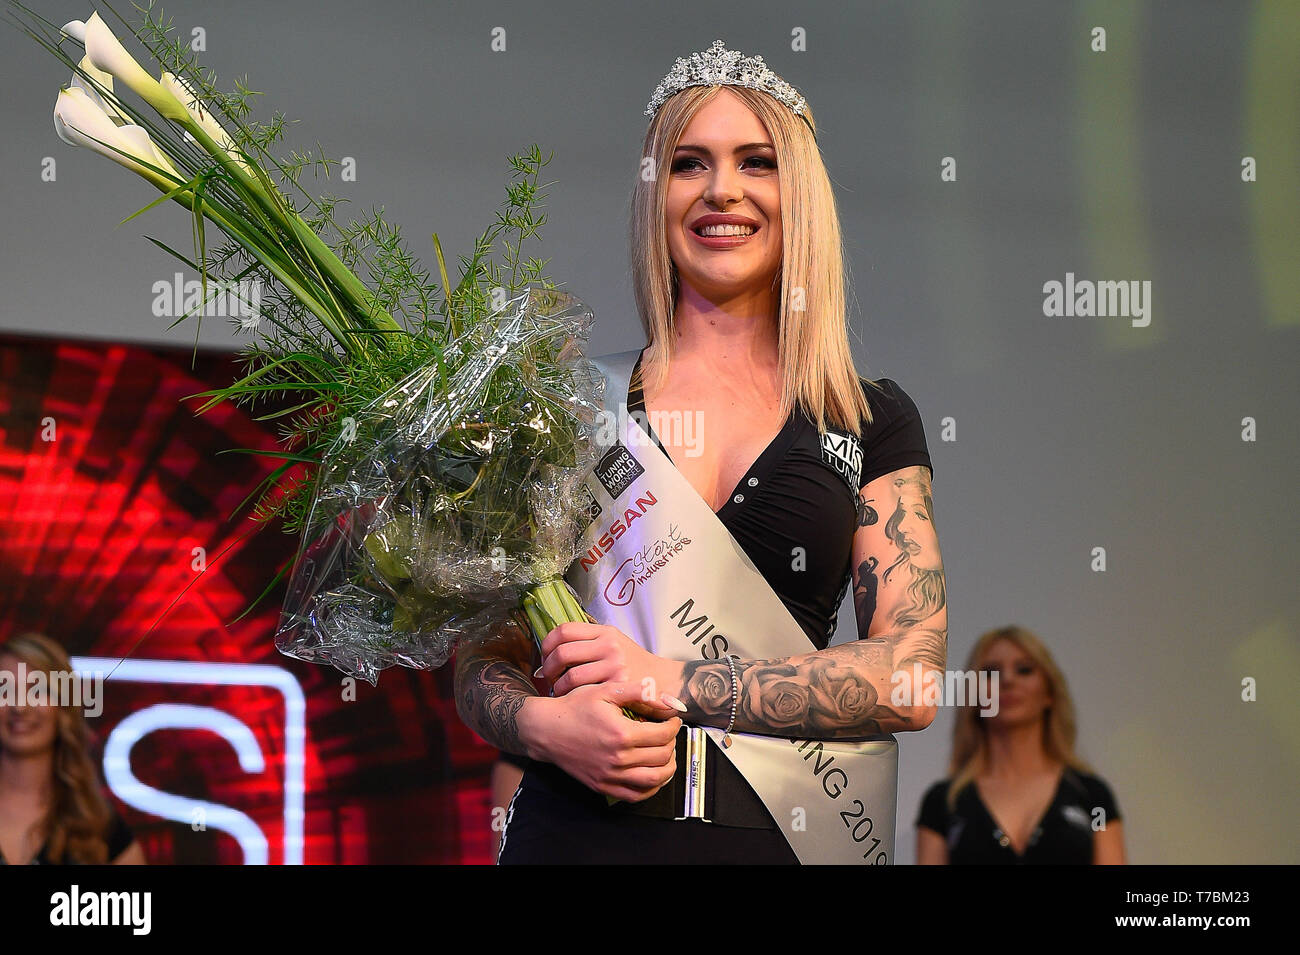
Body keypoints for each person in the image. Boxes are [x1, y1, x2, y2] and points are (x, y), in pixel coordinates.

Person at [455, 39, 946, 864]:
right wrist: (542, 723)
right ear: (657, 195)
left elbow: (912, 673)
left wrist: (667, 678)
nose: (723, 190)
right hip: (574, 834)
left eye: (756, 162)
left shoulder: (868, 417)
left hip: (776, 838)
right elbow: (487, 657)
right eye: (690, 164)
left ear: (800, 194)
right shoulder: (571, 407)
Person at [915, 625, 1126, 864]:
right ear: (973, 695)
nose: (1007, 680)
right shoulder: (943, 803)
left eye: (1024, 670)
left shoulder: (1093, 799)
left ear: (1049, 693)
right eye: (991, 673)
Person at [0, 632, 145, 865]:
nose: (20, 706)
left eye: (38, 691)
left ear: (63, 706)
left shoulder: (103, 830)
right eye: (4, 690)